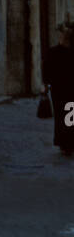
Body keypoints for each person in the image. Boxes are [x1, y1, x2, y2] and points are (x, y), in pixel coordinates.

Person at [43, 20, 74, 157]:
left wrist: (46, 85)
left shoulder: (53, 52)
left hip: (58, 90)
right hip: (69, 90)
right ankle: (68, 143)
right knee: (69, 116)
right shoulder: (69, 52)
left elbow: (46, 70)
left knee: (61, 116)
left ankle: (64, 142)